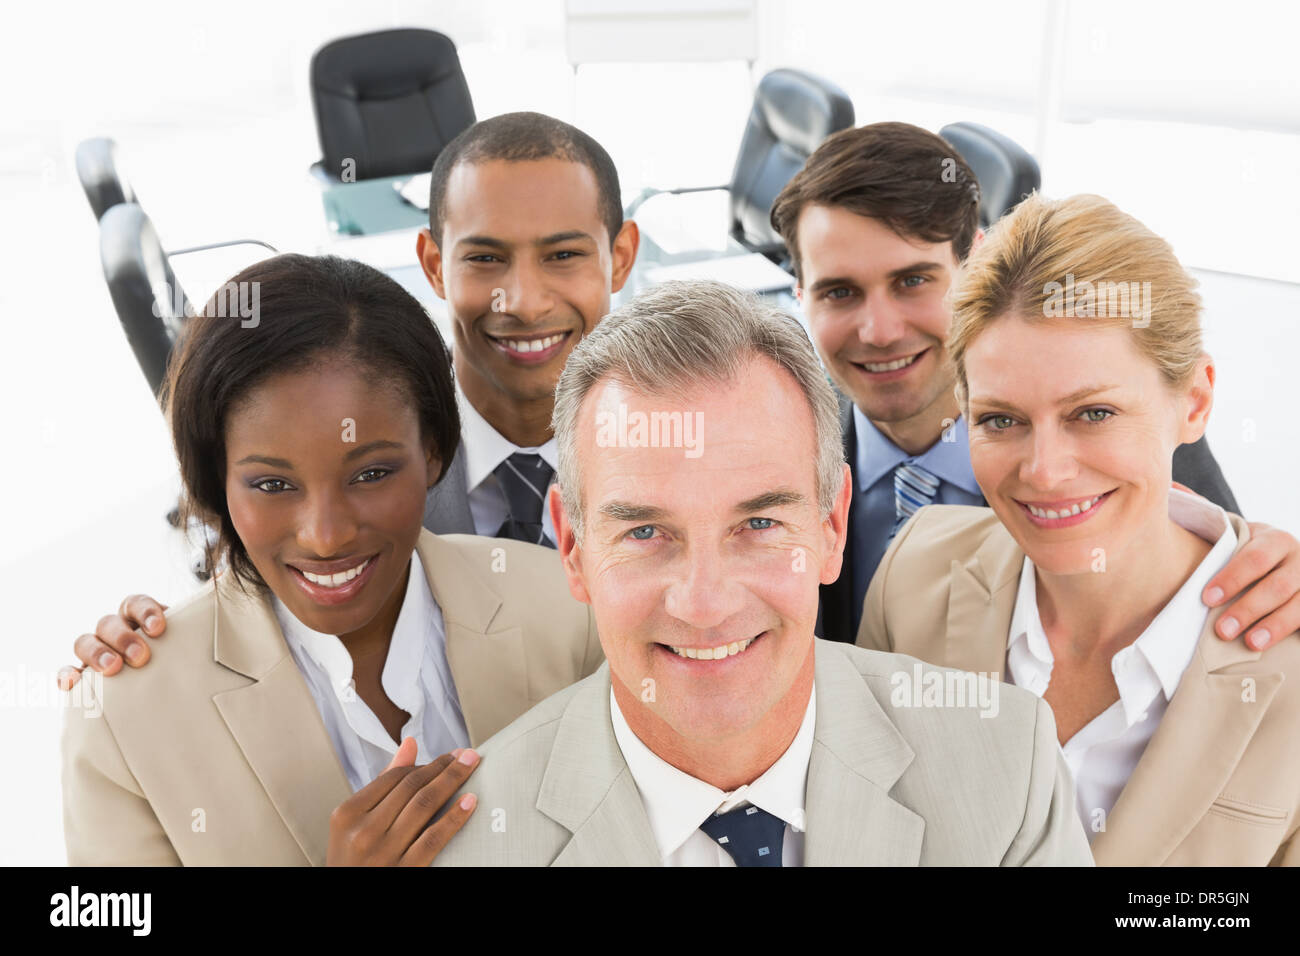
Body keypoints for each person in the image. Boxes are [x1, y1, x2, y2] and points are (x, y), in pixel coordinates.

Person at [344, 280, 1093, 866]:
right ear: (571, 546)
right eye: (644, 531)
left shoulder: (1006, 764)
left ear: (831, 527)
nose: (704, 604)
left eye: (759, 524)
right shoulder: (464, 851)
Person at [61, 111, 639, 685]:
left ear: (620, 258)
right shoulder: (342, 446)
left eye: (563, 255)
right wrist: (148, 663)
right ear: (435, 265)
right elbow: (245, 633)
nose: (524, 302)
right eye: (485, 259)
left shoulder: (683, 440)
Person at [61, 255, 600, 865]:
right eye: (272, 484)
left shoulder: (572, 616)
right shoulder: (124, 723)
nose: (325, 536)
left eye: (371, 473)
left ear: (433, 451)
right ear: (217, 479)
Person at [858, 194, 1300, 865]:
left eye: (1092, 413)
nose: (1045, 472)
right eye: (1002, 420)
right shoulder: (914, 571)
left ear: (1196, 402)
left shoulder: (1285, 658)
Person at [770, 121, 1300, 648]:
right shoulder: (786, 435)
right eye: (839, 292)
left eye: (913, 281)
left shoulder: (1138, 426)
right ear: (800, 294)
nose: (879, 332)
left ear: (975, 264)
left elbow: (1233, 570)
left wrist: (1274, 563)